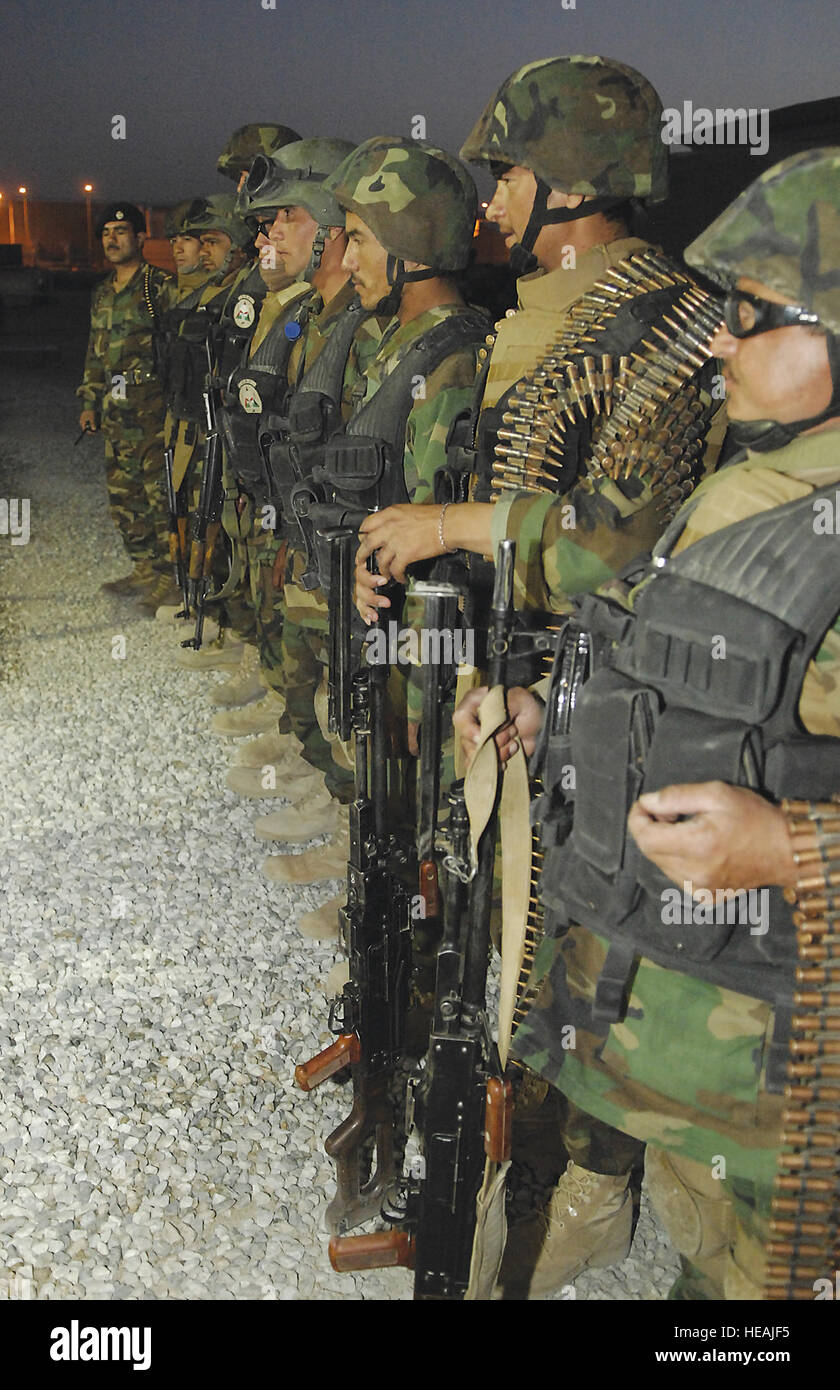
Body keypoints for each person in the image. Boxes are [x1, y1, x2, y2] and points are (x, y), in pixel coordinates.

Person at [468, 147, 840, 1300]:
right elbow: (674, 669)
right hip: (689, 1051)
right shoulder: (766, 482)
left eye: (753, 314)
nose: (720, 341)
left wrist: (790, 848)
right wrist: (551, 714)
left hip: (796, 1081)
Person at [77, 201, 171, 601]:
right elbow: (95, 353)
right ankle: (144, 568)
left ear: (140, 237)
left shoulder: (159, 287)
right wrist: (89, 400)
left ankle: (171, 579)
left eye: (120, 232)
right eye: (106, 234)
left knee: (160, 496)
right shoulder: (102, 292)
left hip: (152, 410)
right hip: (116, 414)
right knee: (124, 497)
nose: (112, 240)